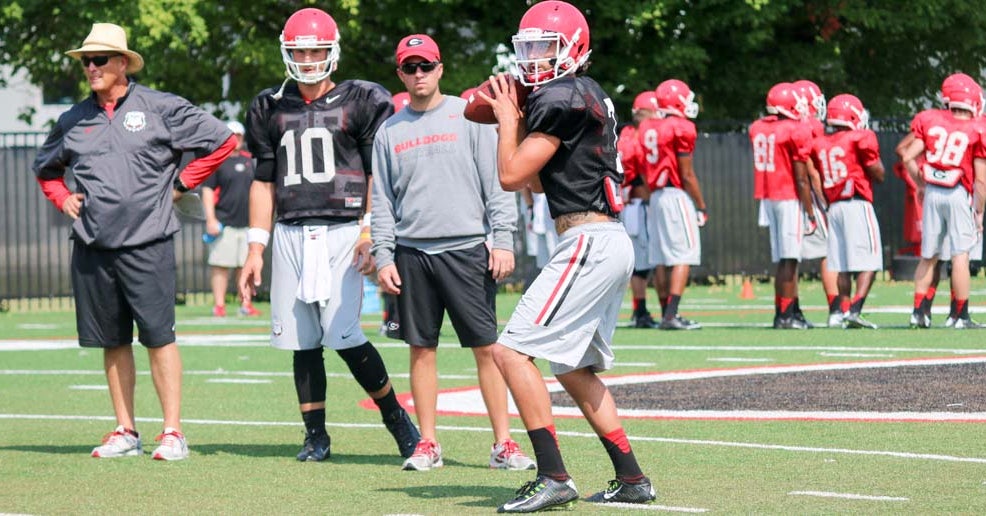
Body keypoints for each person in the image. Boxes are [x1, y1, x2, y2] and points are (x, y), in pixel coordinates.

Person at [477, 1, 656, 511]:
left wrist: (508, 117)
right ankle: (632, 478)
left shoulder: (563, 93)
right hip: (603, 239)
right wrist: (506, 127)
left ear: (573, 48)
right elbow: (534, 178)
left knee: (510, 351)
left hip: (589, 241)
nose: (533, 57)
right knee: (573, 367)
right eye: (528, 47)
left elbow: (510, 178)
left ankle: (553, 474)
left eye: (544, 46)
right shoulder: (580, 93)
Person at [33, 23, 236, 460]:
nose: (91, 67)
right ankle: (125, 430)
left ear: (122, 63)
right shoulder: (72, 120)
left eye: (100, 59)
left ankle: (173, 432)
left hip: (149, 242)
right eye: (86, 60)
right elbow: (46, 170)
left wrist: (182, 182)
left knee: (159, 337)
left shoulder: (160, 106)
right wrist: (62, 197)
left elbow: (223, 141)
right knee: (112, 340)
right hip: (92, 245)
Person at [237, 7, 420, 463]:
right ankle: (315, 435)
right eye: (300, 50)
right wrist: (255, 247)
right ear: (286, 52)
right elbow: (263, 181)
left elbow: (377, 173)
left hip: (343, 230)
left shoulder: (361, 99)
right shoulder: (269, 106)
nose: (309, 57)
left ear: (332, 51)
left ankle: (397, 420)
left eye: (316, 48)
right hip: (290, 230)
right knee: (301, 340)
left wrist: (367, 233)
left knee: (344, 335)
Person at [371, 34, 534, 472]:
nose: (419, 74)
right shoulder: (388, 131)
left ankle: (503, 442)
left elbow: (498, 182)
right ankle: (427, 443)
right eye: (410, 67)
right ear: (400, 74)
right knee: (421, 349)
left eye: (426, 66)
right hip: (411, 254)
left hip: (466, 250)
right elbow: (382, 200)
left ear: (440, 69)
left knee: (487, 348)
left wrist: (502, 240)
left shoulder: (469, 117)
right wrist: (384, 256)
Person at [897, 72, 986, 329]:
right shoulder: (977, 127)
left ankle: (918, 313)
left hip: (934, 191)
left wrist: (921, 184)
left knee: (929, 255)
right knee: (960, 255)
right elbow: (980, 180)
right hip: (958, 191)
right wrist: (979, 211)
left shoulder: (931, 120)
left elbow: (907, 157)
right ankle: (960, 315)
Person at [808, 93, 885, 328]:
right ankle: (855, 310)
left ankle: (841, 312)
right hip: (857, 203)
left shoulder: (820, 142)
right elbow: (879, 174)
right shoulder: (860, 138)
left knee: (841, 264)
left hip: (835, 206)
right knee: (870, 261)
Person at [636, 79, 708, 330]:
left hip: (655, 195)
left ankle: (667, 311)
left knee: (661, 257)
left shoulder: (646, 127)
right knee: (683, 255)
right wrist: (701, 205)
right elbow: (687, 174)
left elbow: (645, 169)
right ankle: (671, 314)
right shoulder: (682, 126)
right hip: (675, 195)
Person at [749, 82, 818, 329]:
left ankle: (787, 310)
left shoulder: (759, 127)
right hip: (788, 196)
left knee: (784, 259)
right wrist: (810, 211)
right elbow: (801, 177)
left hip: (768, 197)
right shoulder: (794, 130)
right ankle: (785, 315)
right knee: (790, 259)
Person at [201, 120, 262, 317]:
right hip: (224, 223)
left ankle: (246, 304)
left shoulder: (250, 161)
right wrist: (210, 219)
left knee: (246, 266)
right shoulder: (217, 161)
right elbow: (208, 191)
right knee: (220, 266)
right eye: (231, 135)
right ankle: (219, 306)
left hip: (248, 224)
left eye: (238, 135)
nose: (234, 139)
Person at [793, 79, 841, 327]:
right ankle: (835, 309)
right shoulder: (811, 126)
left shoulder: (782, 125)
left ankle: (789, 311)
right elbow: (811, 169)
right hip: (807, 195)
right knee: (827, 252)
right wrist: (825, 198)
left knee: (789, 257)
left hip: (781, 196)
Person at [619, 90, 659, 328]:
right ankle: (641, 310)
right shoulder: (640, 137)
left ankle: (639, 309)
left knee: (638, 261)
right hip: (637, 203)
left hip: (626, 204)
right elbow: (640, 177)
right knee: (641, 262)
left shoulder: (625, 134)